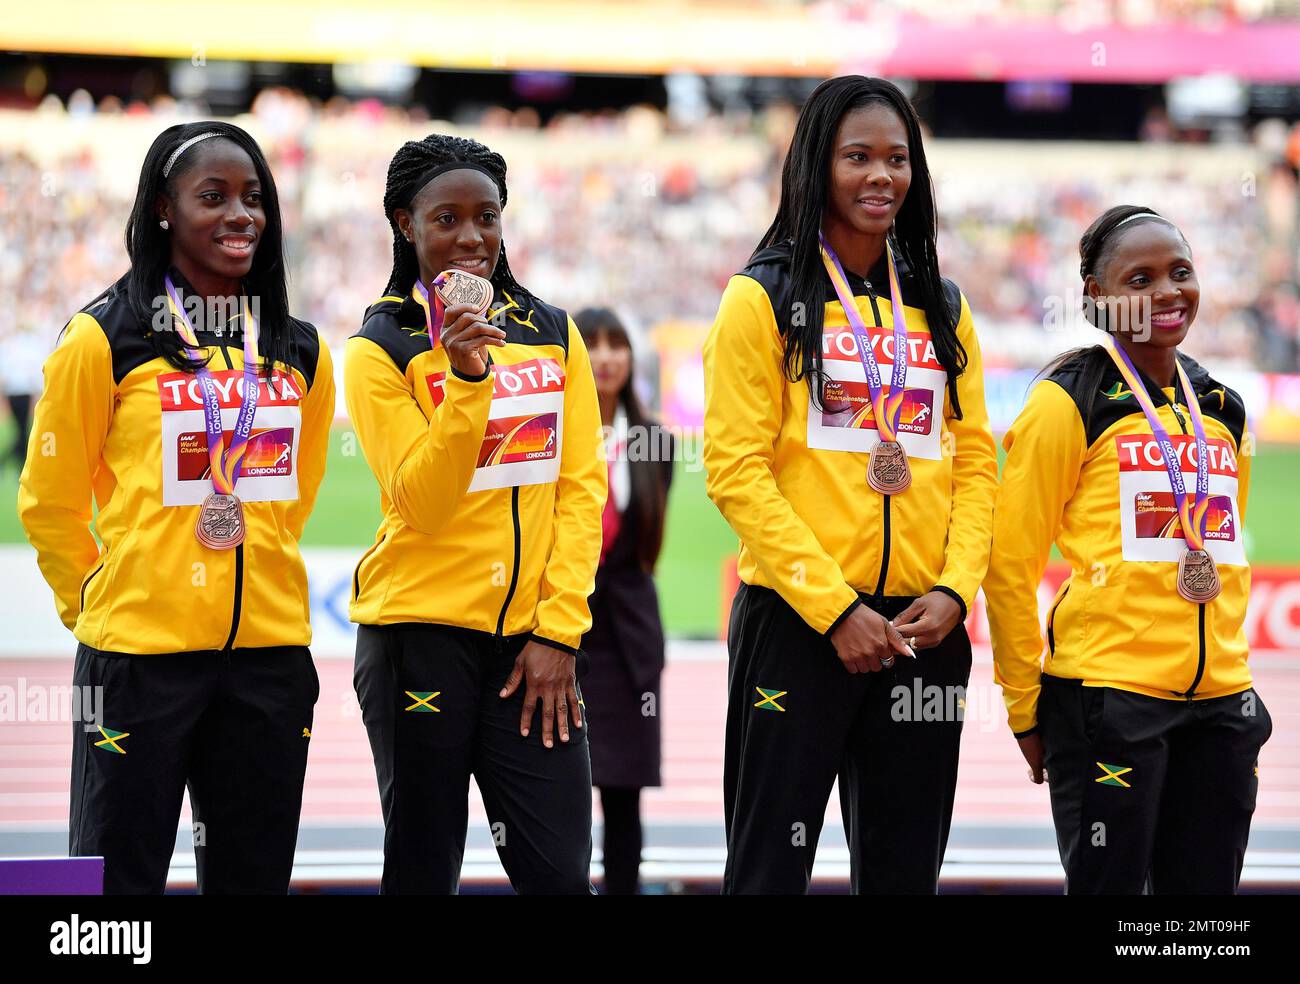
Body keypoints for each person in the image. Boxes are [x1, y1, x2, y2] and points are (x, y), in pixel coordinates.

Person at [18, 121, 333, 894]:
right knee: (114, 891)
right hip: (138, 664)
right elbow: (48, 502)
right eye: (214, 197)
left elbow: (296, 496)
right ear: (163, 207)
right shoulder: (104, 337)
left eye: (255, 199)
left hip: (268, 664)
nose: (241, 216)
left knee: (252, 880)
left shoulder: (300, 349)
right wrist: (100, 601)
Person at [702, 76, 997, 894]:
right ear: (814, 167)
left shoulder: (942, 306)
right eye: (857, 156)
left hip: (922, 631)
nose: (881, 176)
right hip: (800, 629)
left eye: (898, 159)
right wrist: (834, 609)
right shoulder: (761, 298)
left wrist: (954, 590)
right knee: (768, 874)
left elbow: (975, 462)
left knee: (906, 876)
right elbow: (734, 472)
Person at [346, 133, 606, 895]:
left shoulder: (554, 331)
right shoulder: (379, 348)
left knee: (559, 875)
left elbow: (580, 488)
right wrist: (466, 381)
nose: (471, 237)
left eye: (486, 217)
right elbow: (422, 504)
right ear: (406, 225)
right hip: (417, 643)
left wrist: (559, 630)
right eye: (446, 218)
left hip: (535, 647)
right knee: (425, 871)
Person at [985, 205, 1271, 894]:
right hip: (1111, 705)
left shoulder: (1223, 407)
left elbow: (1222, 550)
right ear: (1096, 297)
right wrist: (1026, 708)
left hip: (1223, 706)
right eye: (1139, 279)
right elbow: (1009, 565)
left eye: (1181, 271)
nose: (1168, 292)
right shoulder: (1067, 401)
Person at [573, 307, 673, 895]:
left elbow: (649, 534)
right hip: (570, 624)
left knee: (624, 789)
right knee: (559, 782)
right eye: (593, 344)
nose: (607, 357)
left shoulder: (654, 439)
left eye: (618, 345)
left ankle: (622, 888)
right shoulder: (553, 433)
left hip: (631, 633)